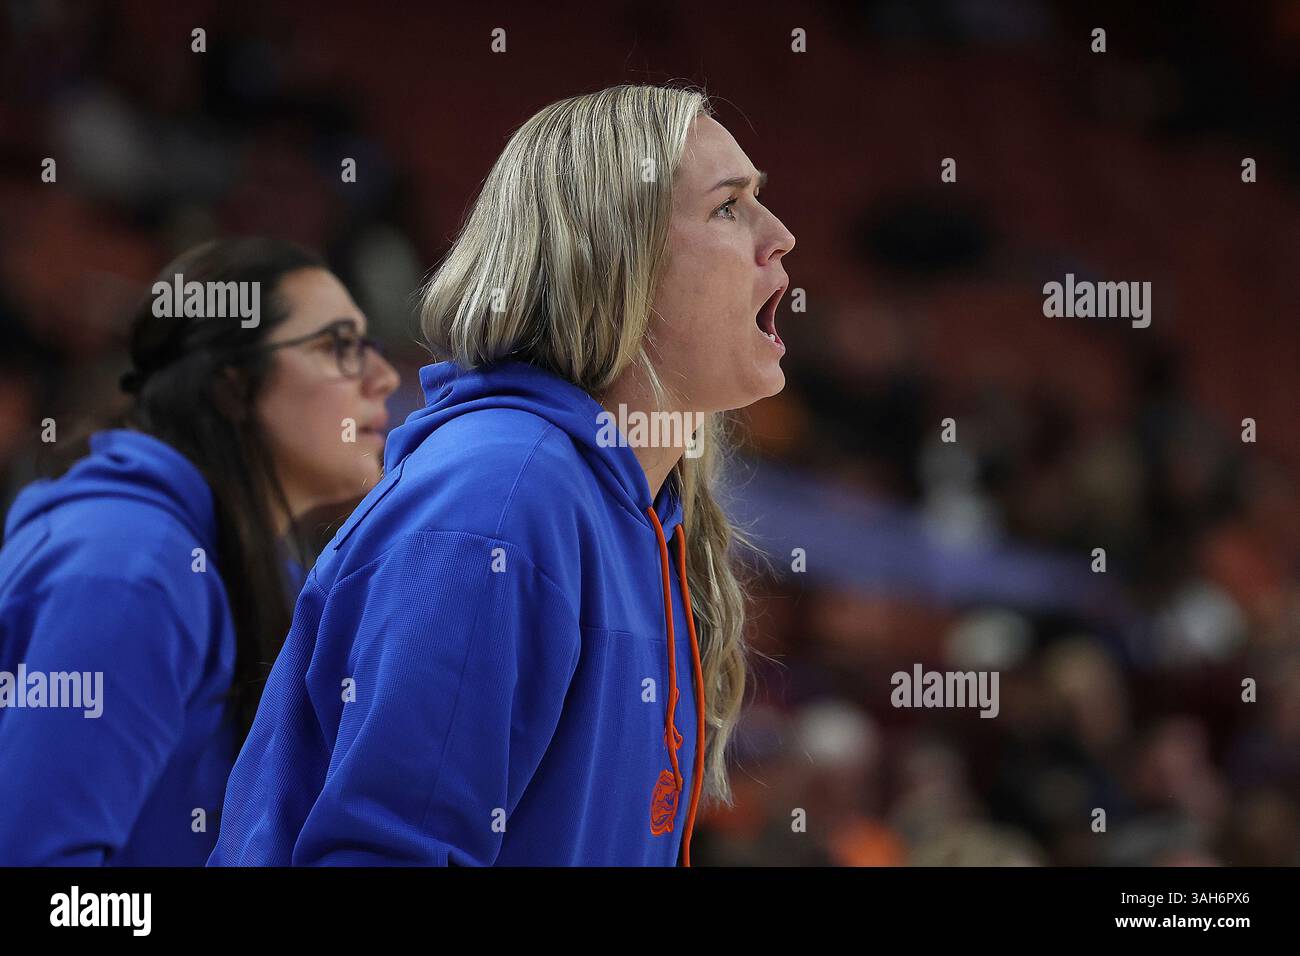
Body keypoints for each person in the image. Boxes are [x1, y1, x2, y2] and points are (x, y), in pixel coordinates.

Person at [208, 83, 796, 866]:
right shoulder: (502, 498)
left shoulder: (633, 512)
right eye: (729, 207)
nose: (781, 236)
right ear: (611, 256)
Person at [0, 237, 401, 864]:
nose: (385, 378)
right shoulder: (130, 572)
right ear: (233, 388)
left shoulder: (248, 562)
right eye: (338, 347)